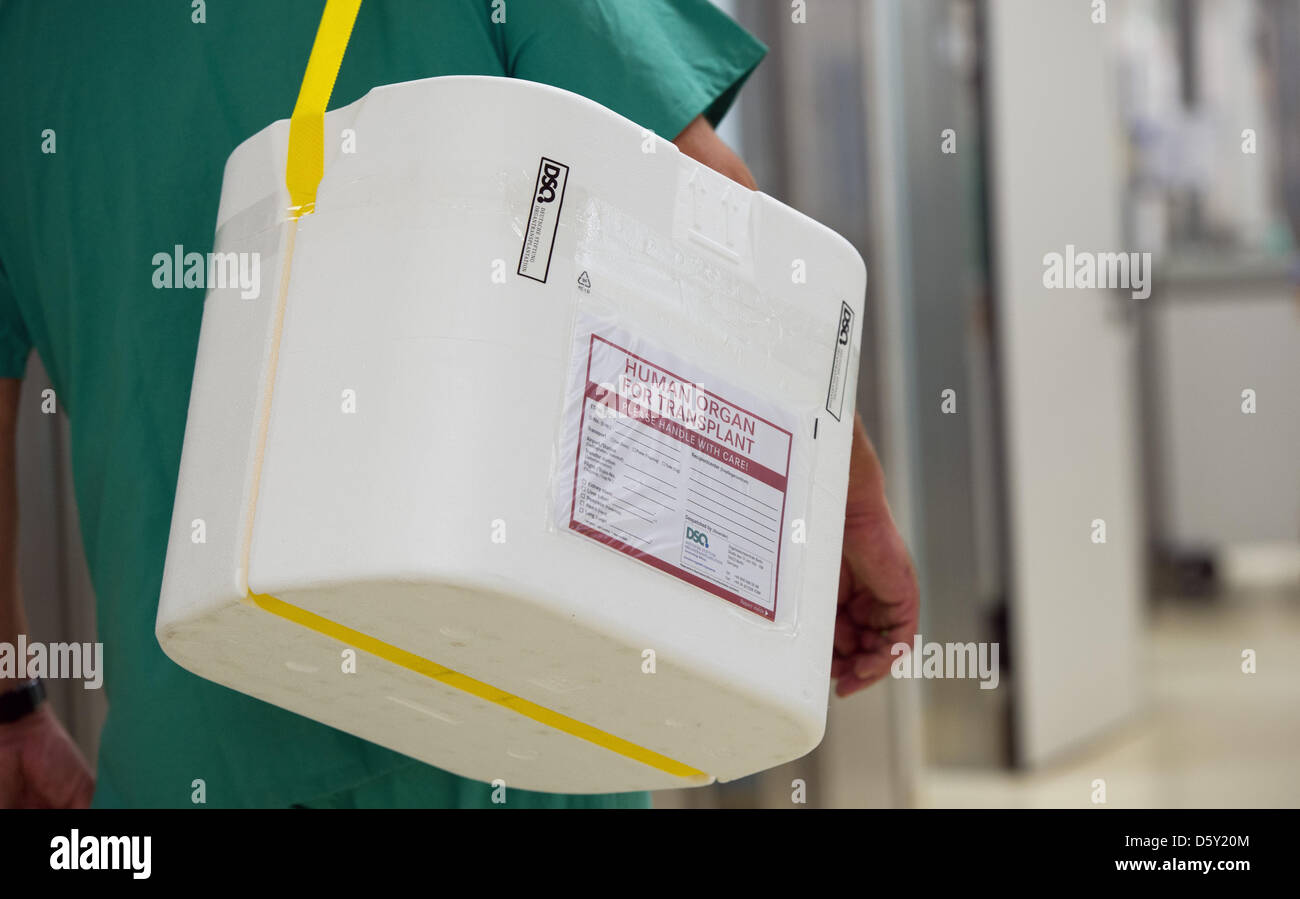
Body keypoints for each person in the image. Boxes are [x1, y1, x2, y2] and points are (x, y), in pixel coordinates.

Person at [0, 0, 918, 809]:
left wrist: (10, 706)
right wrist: (854, 502)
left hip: (187, 740)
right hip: (475, 721)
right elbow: (705, 218)